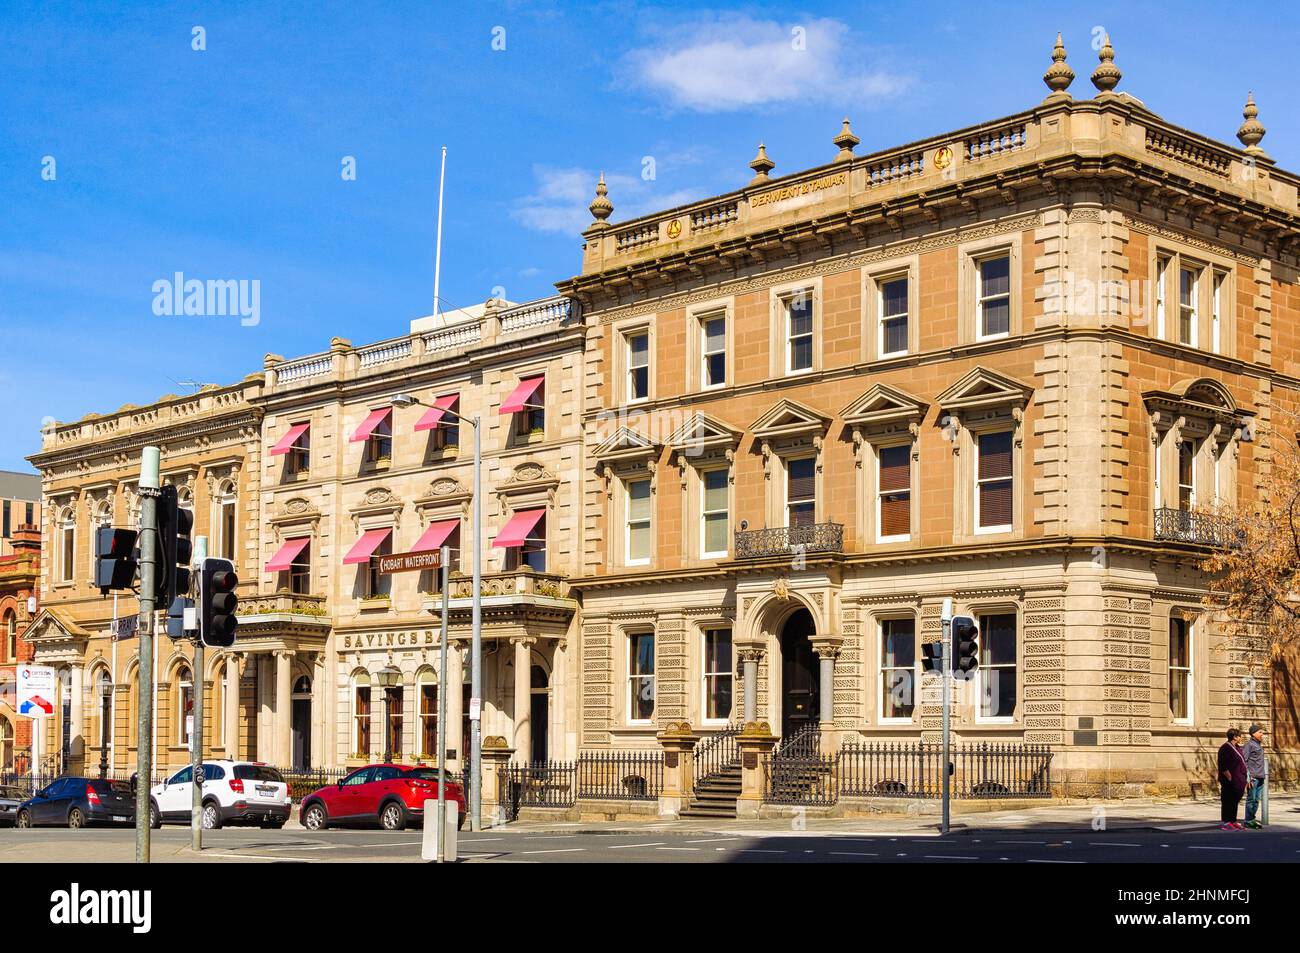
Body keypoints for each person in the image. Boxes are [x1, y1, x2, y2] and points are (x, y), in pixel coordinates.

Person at [1217, 727, 1248, 830]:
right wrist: (1229, 777)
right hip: (1230, 781)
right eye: (1239, 736)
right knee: (1227, 800)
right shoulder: (1225, 748)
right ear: (1234, 737)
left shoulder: (1238, 747)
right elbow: (1222, 764)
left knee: (1234, 801)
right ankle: (1226, 821)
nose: (1241, 737)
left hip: (1239, 780)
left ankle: (1233, 820)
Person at [1244, 723, 1268, 829]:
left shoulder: (1258, 745)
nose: (1262, 734)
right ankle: (1248, 820)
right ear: (1253, 734)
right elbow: (1244, 761)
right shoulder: (1249, 745)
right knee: (1251, 799)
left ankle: (1252, 819)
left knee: (1257, 799)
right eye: (1260, 732)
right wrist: (1248, 777)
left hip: (1260, 776)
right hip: (1253, 777)